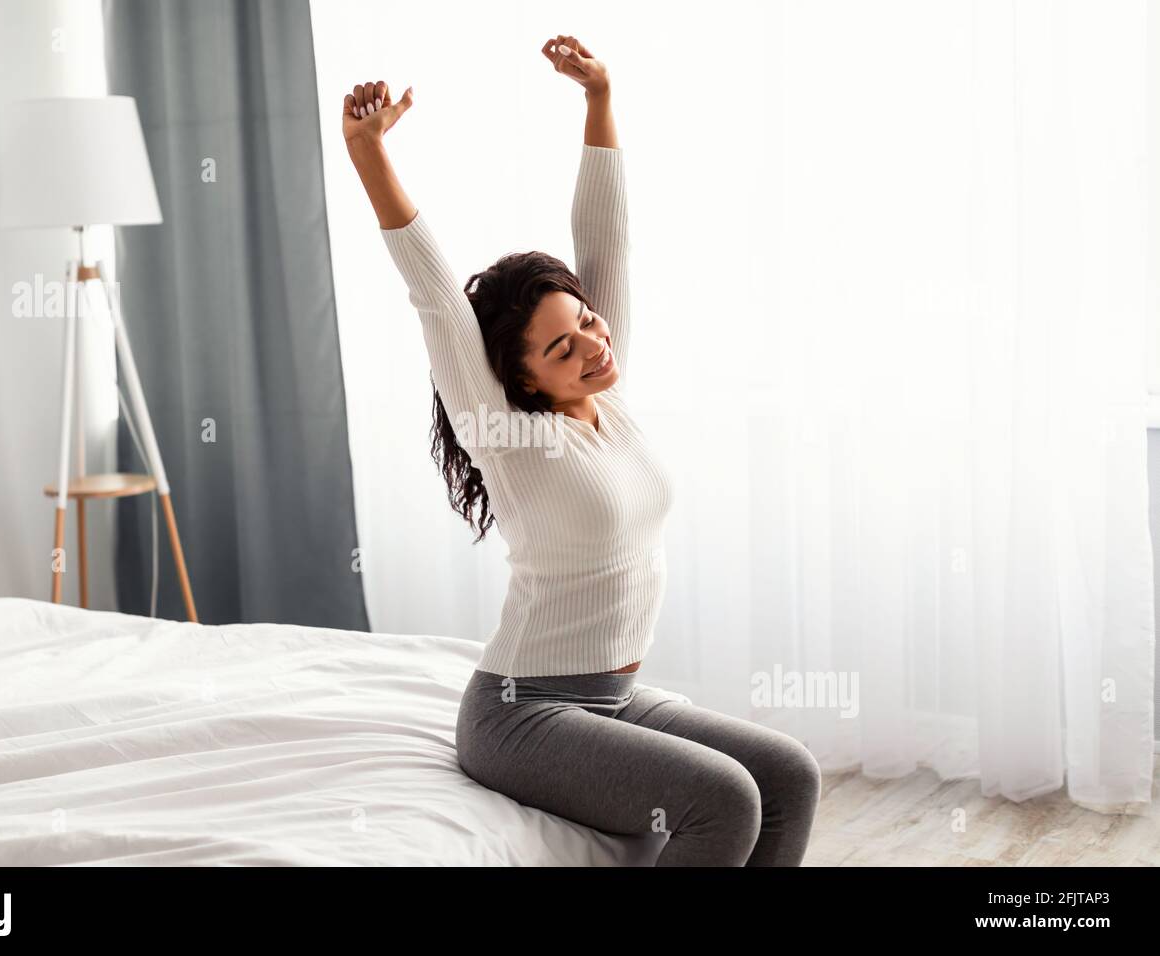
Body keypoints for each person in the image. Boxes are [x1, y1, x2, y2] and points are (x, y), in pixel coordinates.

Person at [343, 35, 821, 866]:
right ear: (518, 379)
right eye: (562, 348)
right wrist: (368, 152)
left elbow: (608, 240)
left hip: (616, 697)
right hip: (522, 714)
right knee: (723, 802)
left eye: (589, 322)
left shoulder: (608, 395)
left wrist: (598, 96)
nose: (594, 345)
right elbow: (433, 297)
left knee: (788, 774)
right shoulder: (511, 437)